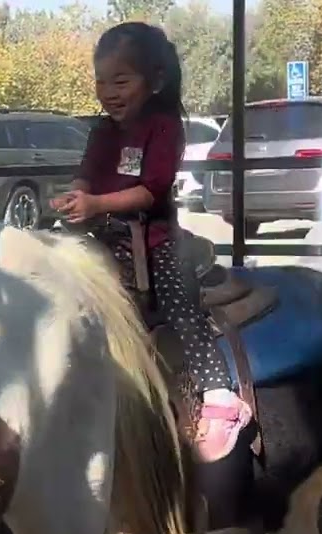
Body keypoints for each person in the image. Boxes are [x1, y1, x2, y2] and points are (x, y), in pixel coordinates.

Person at [51, 21, 251, 463]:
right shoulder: (102, 131)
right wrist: (77, 194)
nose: (108, 92)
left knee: (181, 306)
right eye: (101, 81)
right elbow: (87, 171)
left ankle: (219, 394)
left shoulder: (163, 127)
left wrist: (96, 203)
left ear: (155, 81)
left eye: (121, 81)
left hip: (155, 241)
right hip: (104, 237)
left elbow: (151, 189)